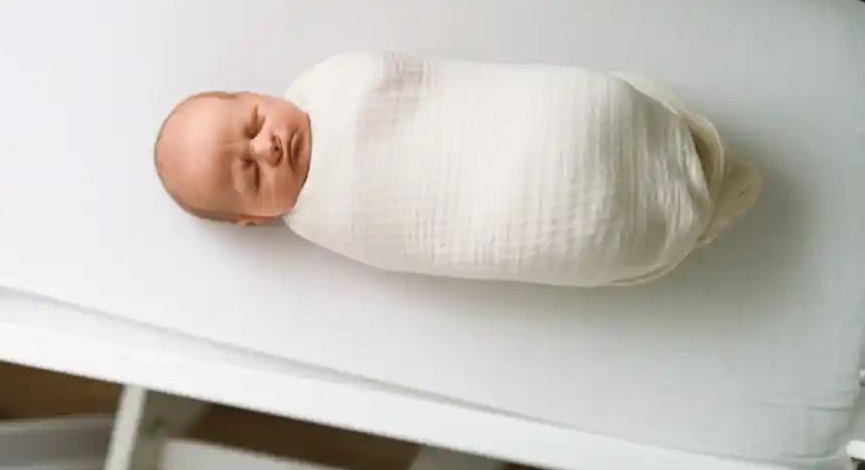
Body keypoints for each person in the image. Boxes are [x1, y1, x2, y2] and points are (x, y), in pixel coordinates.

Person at [153, 51, 760, 286]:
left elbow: (425, 87)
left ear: (257, 95)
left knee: (580, 114)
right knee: (578, 216)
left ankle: (639, 136)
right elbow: (432, 236)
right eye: (252, 175)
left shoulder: (330, 83)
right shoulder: (325, 220)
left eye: (254, 123)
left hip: (545, 121)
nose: (267, 149)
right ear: (255, 218)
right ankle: (652, 207)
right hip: (526, 206)